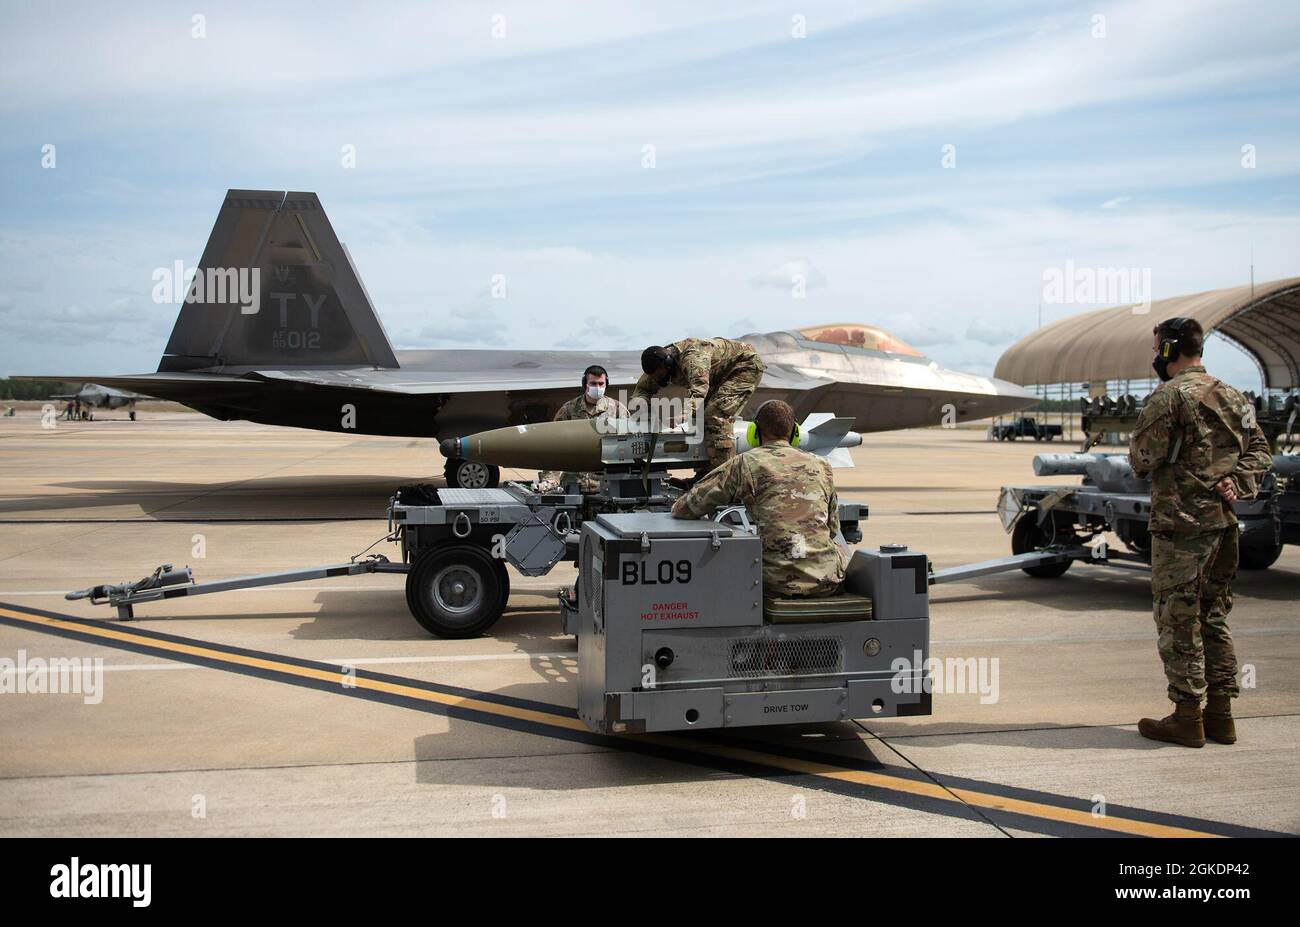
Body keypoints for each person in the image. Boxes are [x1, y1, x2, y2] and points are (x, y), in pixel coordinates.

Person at [1129, 317, 1272, 748]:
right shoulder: (1231, 394)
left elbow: (1142, 460)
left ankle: (1187, 716)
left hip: (1181, 529)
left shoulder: (1169, 396)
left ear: (1170, 351)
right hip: (1225, 526)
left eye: (1158, 348)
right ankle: (1221, 716)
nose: (1155, 356)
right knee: (1213, 617)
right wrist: (1238, 481)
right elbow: (1261, 451)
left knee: (1177, 619)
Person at [671, 399, 846, 598]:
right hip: (827, 581)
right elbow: (832, 530)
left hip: (773, 583)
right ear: (795, 432)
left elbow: (686, 507)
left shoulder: (746, 462)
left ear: (754, 433)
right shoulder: (822, 464)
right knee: (839, 548)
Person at [632, 336, 766, 475]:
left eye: (660, 376)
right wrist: (641, 405)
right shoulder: (656, 367)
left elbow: (699, 388)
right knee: (699, 418)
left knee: (715, 416)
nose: (659, 380)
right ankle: (705, 474)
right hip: (716, 375)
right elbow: (641, 390)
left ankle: (724, 476)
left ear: (668, 364)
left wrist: (684, 414)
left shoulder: (692, 358)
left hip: (743, 367)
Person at [535, 365, 630, 493]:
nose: (598, 387)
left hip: (606, 485)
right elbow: (554, 444)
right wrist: (551, 478)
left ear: (606, 384)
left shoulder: (618, 409)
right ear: (585, 384)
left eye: (601, 383)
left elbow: (629, 443)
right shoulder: (569, 409)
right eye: (593, 383)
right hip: (574, 484)